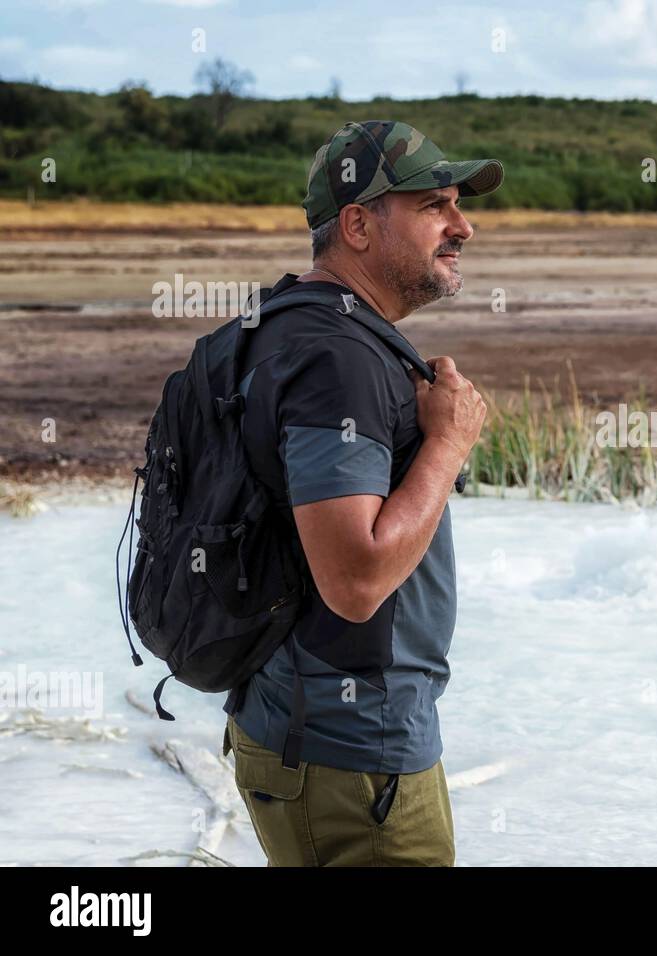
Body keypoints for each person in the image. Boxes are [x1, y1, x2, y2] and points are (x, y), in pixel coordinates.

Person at [219, 121, 501, 866]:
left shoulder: (277, 325)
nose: (462, 227)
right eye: (435, 205)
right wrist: (448, 442)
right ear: (356, 224)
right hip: (352, 759)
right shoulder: (337, 359)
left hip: (301, 731)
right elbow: (355, 580)